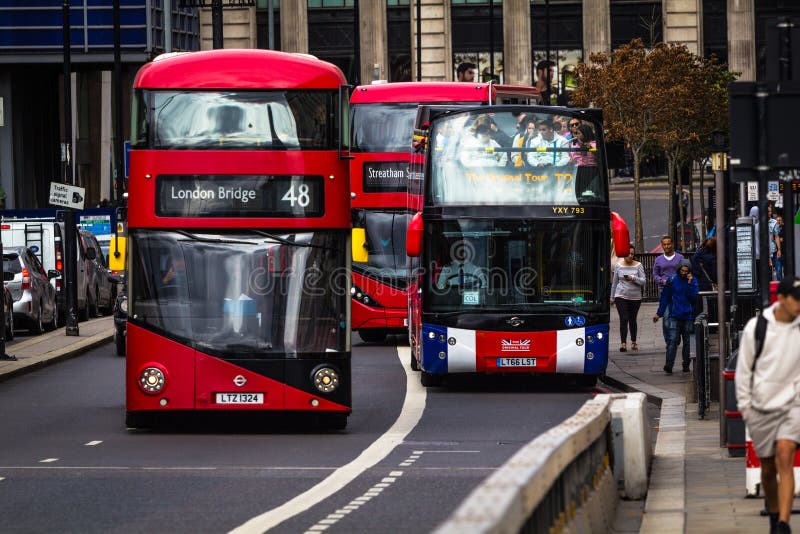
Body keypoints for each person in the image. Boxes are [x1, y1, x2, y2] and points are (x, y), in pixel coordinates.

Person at [735, 276, 800, 534]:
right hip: (761, 408)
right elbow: (743, 371)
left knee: (785, 454)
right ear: (781, 299)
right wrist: (746, 408)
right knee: (768, 467)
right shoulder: (757, 327)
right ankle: (774, 514)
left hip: (793, 406)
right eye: (796, 299)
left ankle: (784, 524)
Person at [653, 259, 698, 374]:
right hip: (674, 315)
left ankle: (686, 365)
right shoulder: (672, 280)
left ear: (689, 271)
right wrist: (659, 313)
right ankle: (669, 365)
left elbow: (693, 298)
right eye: (682, 271)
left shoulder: (693, 281)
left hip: (688, 316)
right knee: (672, 340)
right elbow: (665, 297)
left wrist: (689, 284)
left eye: (686, 271)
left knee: (687, 342)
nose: (683, 273)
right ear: (679, 269)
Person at [610, 244, 645, 352]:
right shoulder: (619, 266)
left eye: (632, 254)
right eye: (628, 254)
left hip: (635, 297)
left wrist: (633, 278)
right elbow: (615, 282)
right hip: (621, 296)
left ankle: (634, 341)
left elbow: (643, 281)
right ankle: (623, 343)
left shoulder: (638, 265)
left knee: (632, 319)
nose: (630, 256)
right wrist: (612, 297)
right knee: (624, 318)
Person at [652, 235, 684, 344]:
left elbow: (685, 271)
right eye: (664, 244)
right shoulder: (658, 260)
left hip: (678, 292)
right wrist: (662, 280)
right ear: (662, 245)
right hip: (664, 292)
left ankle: (676, 336)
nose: (666, 246)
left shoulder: (680, 258)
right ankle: (669, 342)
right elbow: (655, 275)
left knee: (678, 316)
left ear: (672, 244)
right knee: (666, 319)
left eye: (668, 244)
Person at [775, 215, 785, 281]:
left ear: (782, 221)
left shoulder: (785, 228)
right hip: (777, 253)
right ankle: (780, 285)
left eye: (780, 220)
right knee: (778, 271)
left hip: (785, 253)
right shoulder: (774, 230)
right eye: (777, 220)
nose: (778, 222)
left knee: (785, 270)